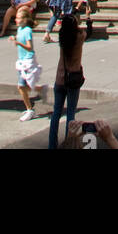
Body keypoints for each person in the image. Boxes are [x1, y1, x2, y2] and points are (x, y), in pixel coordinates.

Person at [49, 13, 86, 149]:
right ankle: (68, 143)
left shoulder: (62, 37)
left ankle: (51, 145)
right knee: (71, 113)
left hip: (60, 78)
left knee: (56, 113)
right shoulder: (80, 36)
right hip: (73, 78)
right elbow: (87, 31)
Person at [14, 5, 41, 121]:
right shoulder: (20, 29)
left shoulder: (27, 30)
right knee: (24, 86)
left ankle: (30, 109)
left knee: (21, 86)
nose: (16, 20)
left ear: (24, 19)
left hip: (28, 61)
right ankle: (29, 106)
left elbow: (30, 47)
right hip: (22, 60)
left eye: (18, 18)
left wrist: (18, 43)